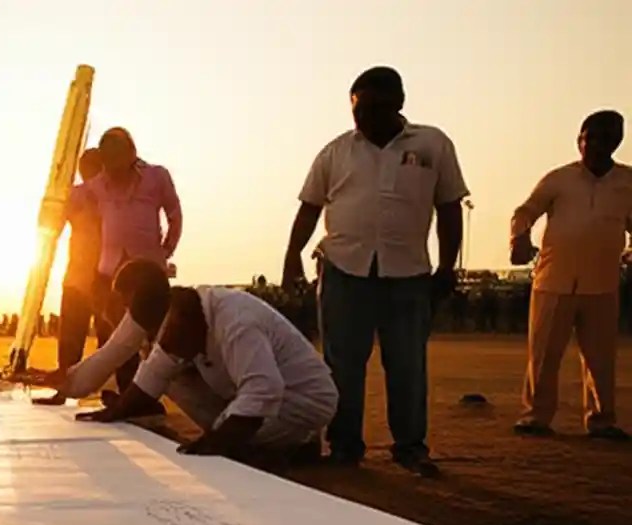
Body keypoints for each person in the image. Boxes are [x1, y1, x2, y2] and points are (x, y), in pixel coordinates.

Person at [282, 67, 468, 477]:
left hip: (409, 274)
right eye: (357, 109)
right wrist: (291, 256)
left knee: (407, 365)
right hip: (344, 271)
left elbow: (449, 206)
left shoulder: (433, 144)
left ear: (398, 103)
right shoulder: (335, 152)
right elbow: (310, 207)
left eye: (372, 108)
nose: (362, 118)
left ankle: (410, 447)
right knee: (341, 365)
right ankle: (344, 444)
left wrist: (447, 266)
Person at [83, 284, 337, 464]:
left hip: (302, 399)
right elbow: (153, 376)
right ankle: (255, 442)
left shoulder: (237, 322)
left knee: (239, 442)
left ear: (192, 326)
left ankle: (295, 444)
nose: (174, 351)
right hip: (248, 391)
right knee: (174, 378)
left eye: (178, 342)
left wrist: (217, 443)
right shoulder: (181, 320)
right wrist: (116, 412)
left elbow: (264, 389)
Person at [509, 110, 632, 440]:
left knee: (601, 360)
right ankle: (535, 417)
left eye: (602, 138)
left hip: (602, 284)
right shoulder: (558, 179)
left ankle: (602, 420)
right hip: (554, 281)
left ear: (616, 142)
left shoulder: (627, 183)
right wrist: (519, 238)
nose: (591, 144)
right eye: (586, 136)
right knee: (544, 356)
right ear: (578, 139)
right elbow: (526, 211)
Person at [69, 127, 183, 395]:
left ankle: (154, 393)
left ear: (131, 154)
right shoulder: (100, 182)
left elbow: (175, 214)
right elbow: (76, 194)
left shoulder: (157, 176)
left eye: (117, 165)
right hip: (112, 272)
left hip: (149, 270)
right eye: (108, 165)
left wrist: (167, 249)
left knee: (156, 334)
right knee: (118, 334)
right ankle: (125, 393)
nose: (113, 172)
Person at [42, 259, 174, 416]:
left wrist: (122, 408)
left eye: (125, 303)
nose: (124, 309)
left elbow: (153, 374)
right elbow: (109, 355)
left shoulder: (175, 320)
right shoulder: (139, 317)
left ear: (133, 296)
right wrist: (64, 381)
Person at [35, 148, 104, 406]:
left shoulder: (105, 196)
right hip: (79, 277)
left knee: (105, 338)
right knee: (71, 340)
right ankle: (65, 389)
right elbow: (54, 225)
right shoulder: (78, 195)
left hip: (99, 278)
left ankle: (111, 390)